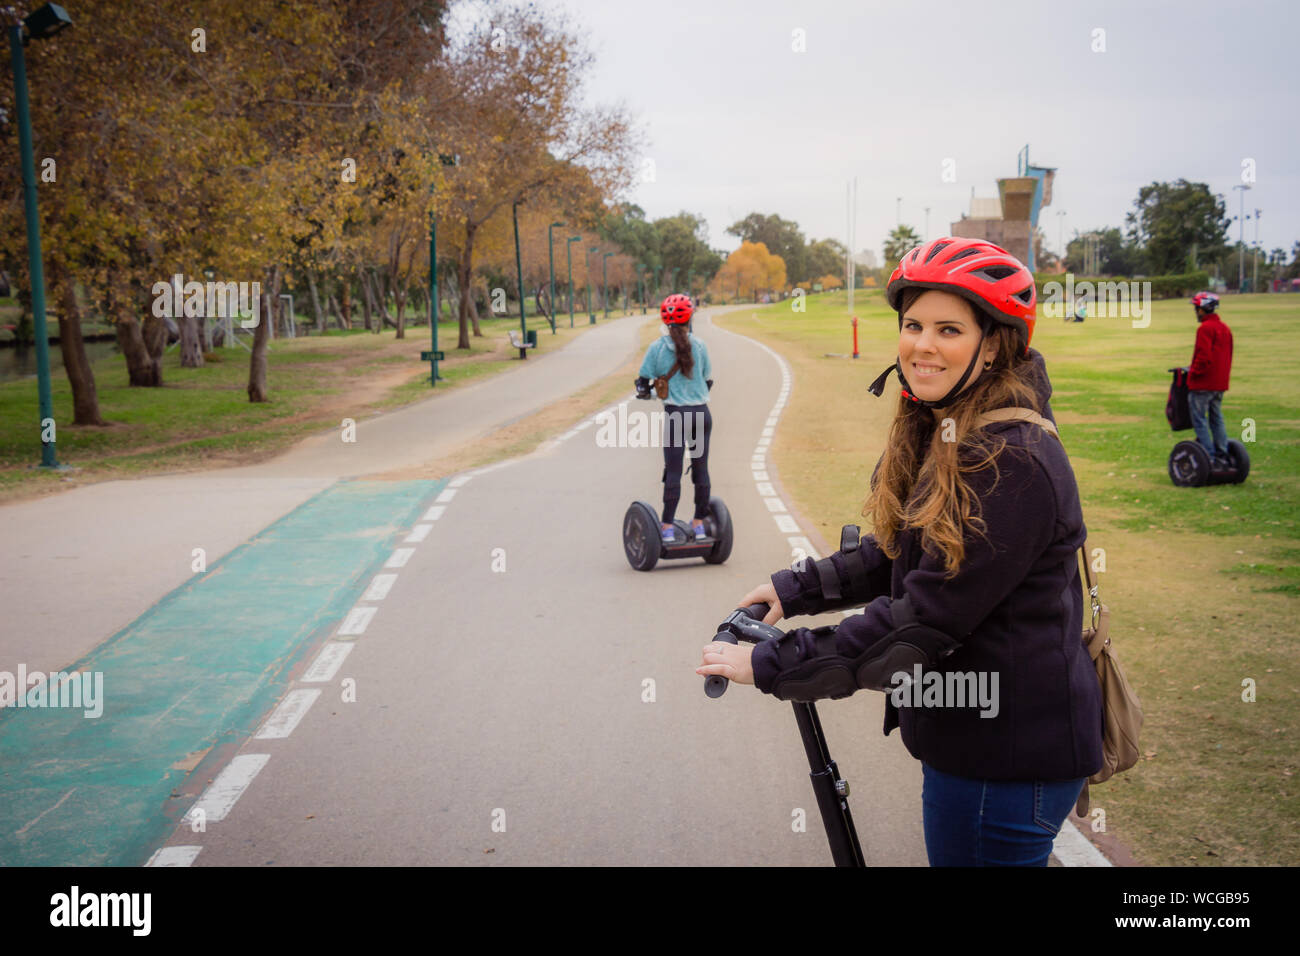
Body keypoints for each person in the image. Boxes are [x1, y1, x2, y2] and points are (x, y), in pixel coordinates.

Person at [697, 237, 1104, 867]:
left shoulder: (1007, 461)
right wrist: (794, 590)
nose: (922, 344)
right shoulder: (954, 426)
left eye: (948, 328)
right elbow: (906, 552)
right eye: (913, 324)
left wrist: (776, 663)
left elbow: (921, 622)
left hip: (1004, 758)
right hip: (983, 742)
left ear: (993, 343)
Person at [636, 294, 714, 544]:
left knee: (673, 471)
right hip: (701, 416)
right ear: (689, 318)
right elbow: (706, 377)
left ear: (665, 319)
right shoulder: (700, 345)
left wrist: (646, 389)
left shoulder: (657, 348)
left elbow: (643, 380)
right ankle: (699, 525)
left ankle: (667, 527)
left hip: (676, 417)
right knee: (701, 469)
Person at [1187, 292, 1233, 468]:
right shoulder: (1225, 328)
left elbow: (1203, 357)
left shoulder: (1205, 329)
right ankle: (1222, 453)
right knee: (1216, 418)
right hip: (1219, 384)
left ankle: (1209, 457)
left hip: (1203, 384)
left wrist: (1193, 374)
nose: (1195, 312)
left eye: (1196, 308)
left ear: (1202, 309)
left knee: (1199, 420)